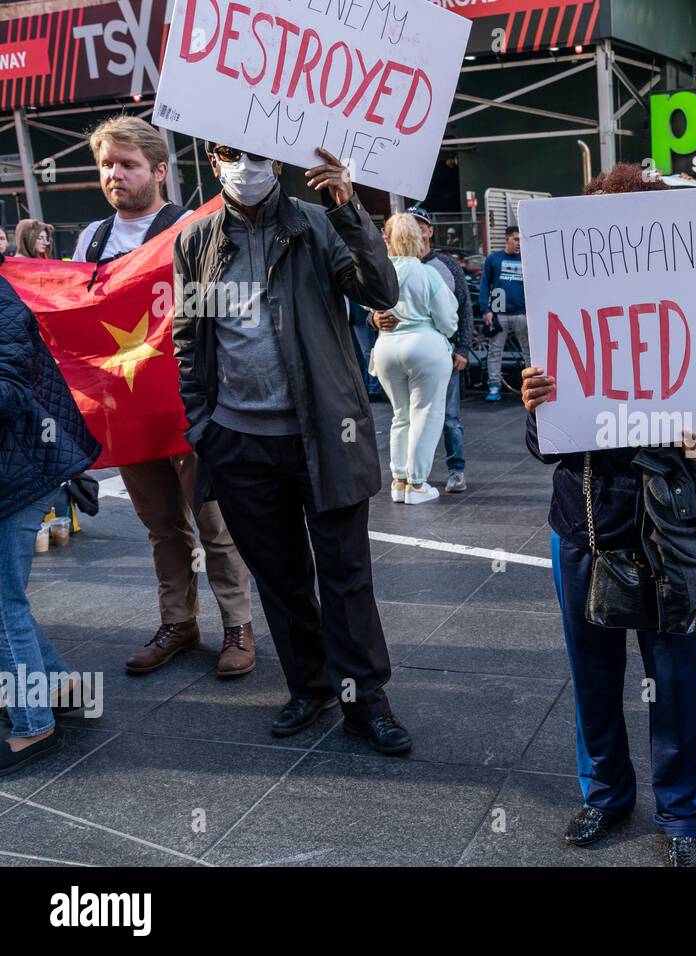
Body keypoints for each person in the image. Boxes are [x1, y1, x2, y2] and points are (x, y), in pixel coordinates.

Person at [521, 161, 696, 868]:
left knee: (676, 682)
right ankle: (605, 796)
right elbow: (547, 448)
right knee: (593, 674)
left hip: (674, 532)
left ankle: (683, 813)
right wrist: (537, 405)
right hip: (584, 527)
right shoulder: (564, 317)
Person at [172, 143, 412, 754]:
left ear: (277, 160)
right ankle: (309, 686)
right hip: (240, 445)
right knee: (280, 579)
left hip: (325, 437)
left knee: (345, 575)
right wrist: (204, 425)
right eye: (230, 154)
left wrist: (349, 206)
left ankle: (367, 701)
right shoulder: (194, 241)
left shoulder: (316, 224)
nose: (244, 167)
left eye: (256, 154)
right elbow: (188, 334)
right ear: (212, 157)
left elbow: (381, 292)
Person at [74, 115, 256, 678]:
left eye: (126, 164)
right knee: (160, 526)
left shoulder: (193, 228)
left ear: (159, 170)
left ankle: (237, 627)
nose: (114, 175)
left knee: (215, 524)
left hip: (194, 406)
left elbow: (230, 311)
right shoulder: (92, 239)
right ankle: (178, 622)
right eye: (106, 165)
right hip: (128, 412)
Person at [0, 250, 101, 774]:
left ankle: (32, 727)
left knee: (1, 605)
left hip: (18, 474)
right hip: (17, 469)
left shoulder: (2, 301)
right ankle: (58, 684)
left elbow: (9, 389)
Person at [370, 213, 458, 505]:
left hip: (385, 349)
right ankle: (417, 483)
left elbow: (367, 308)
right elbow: (447, 319)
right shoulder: (428, 273)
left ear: (388, 239)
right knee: (427, 414)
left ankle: (399, 480)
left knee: (400, 415)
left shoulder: (380, 272)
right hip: (425, 345)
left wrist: (375, 318)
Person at [410, 206, 473, 493]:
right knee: (409, 417)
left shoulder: (448, 266)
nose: (417, 229)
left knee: (449, 417)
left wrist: (462, 348)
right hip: (411, 358)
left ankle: (456, 470)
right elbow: (378, 306)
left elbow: (466, 309)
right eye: (411, 224)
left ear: (430, 230)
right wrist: (375, 319)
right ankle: (412, 475)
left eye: (421, 224)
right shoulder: (396, 265)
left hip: (446, 356)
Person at [480, 225, 528, 402]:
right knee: (495, 351)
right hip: (499, 314)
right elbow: (485, 284)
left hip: (522, 313)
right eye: (515, 239)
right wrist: (486, 309)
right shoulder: (494, 258)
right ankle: (494, 387)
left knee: (529, 352)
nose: (518, 243)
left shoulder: (527, 258)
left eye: (520, 240)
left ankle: (531, 386)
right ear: (507, 239)